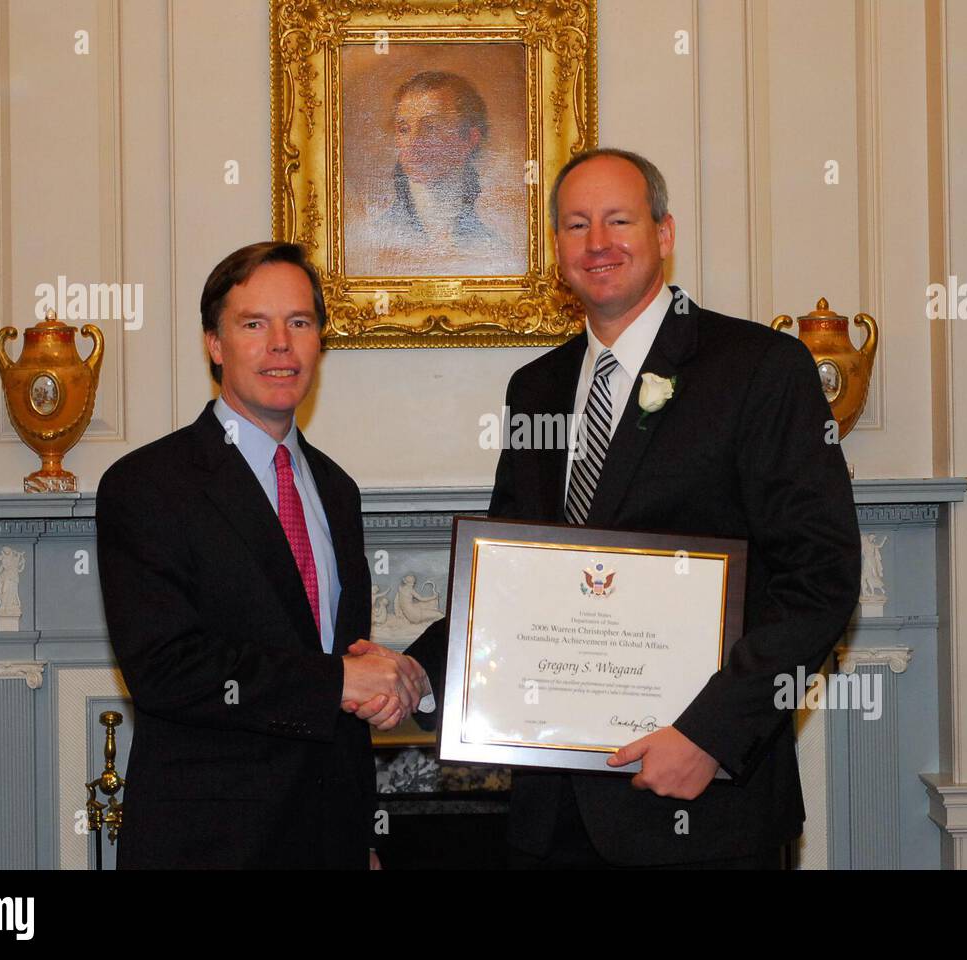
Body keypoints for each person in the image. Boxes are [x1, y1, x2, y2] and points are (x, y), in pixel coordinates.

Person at [396, 148, 862, 868]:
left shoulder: (758, 369)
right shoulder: (537, 390)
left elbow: (822, 579)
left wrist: (710, 736)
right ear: (557, 250)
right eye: (577, 225)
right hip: (554, 815)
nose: (599, 242)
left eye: (620, 219)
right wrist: (417, 670)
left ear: (664, 233)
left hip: (701, 806)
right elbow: (509, 584)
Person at [96, 241, 428, 869]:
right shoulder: (146, 485)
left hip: (330, 839)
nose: (281, 344)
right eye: (255, 324)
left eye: (299, 323)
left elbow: (341, 669)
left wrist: (363, 836)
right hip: (208, 847)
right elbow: (166, 671)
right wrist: (338, 682)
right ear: (214, 345)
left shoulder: (337, 489)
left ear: (319, 341)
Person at [347, 70, 523, 276]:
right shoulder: (372, 240)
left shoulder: (496, 249)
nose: (412, 143)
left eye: (430, 127)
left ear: (469, 139)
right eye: (404, 129)